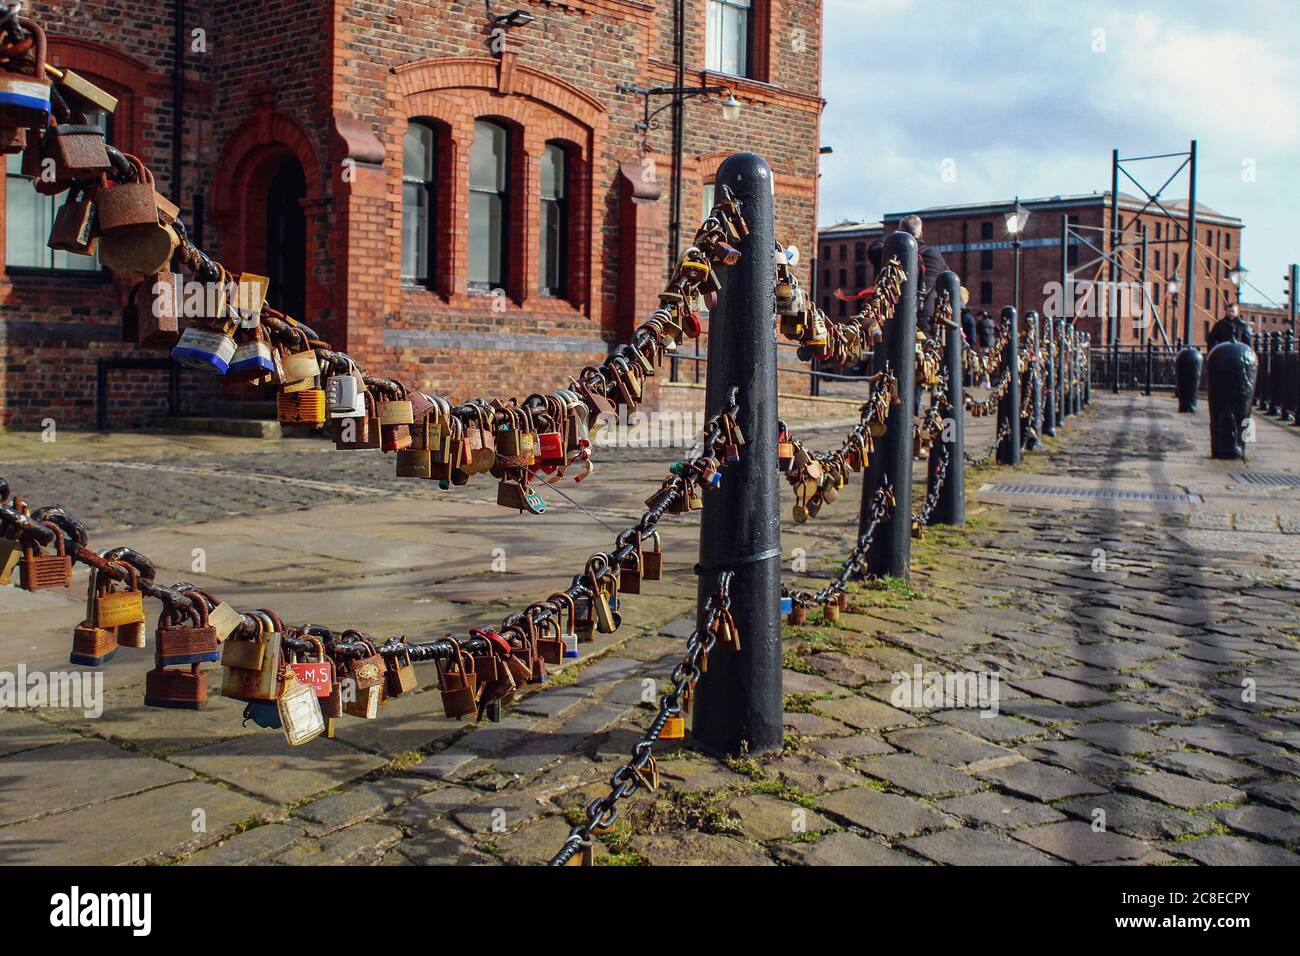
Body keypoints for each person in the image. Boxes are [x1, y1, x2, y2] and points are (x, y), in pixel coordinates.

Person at [899, 214, 948, 338]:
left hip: (899, 318)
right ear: (921, 234)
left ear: (900, 231)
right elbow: (948, 279)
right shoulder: (935, 256)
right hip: (928, 318)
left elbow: (873, 252)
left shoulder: (894, 254)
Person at [976, 310, 996, 387]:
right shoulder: (992, 322)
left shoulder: (981, 323)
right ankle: (989, 380)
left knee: (983, 363)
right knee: (990, 363)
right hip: (992, 345)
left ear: (981, 315)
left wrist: (977, 345)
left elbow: (977, 333)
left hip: (984, 345)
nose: (977, 318)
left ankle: (986, 381)